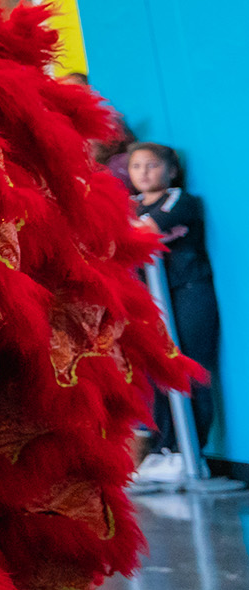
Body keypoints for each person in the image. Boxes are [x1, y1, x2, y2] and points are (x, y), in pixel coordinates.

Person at [130, 143, 219, 454]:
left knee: (189, 367)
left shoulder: (180, 200)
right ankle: (164, 449)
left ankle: (189, 452)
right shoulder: (130, 204)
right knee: (157, 371)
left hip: (188, 292)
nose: (143, 173)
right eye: (136, 166)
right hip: (153, 299)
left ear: (171, 170)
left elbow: (141, 231)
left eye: (152, 165)